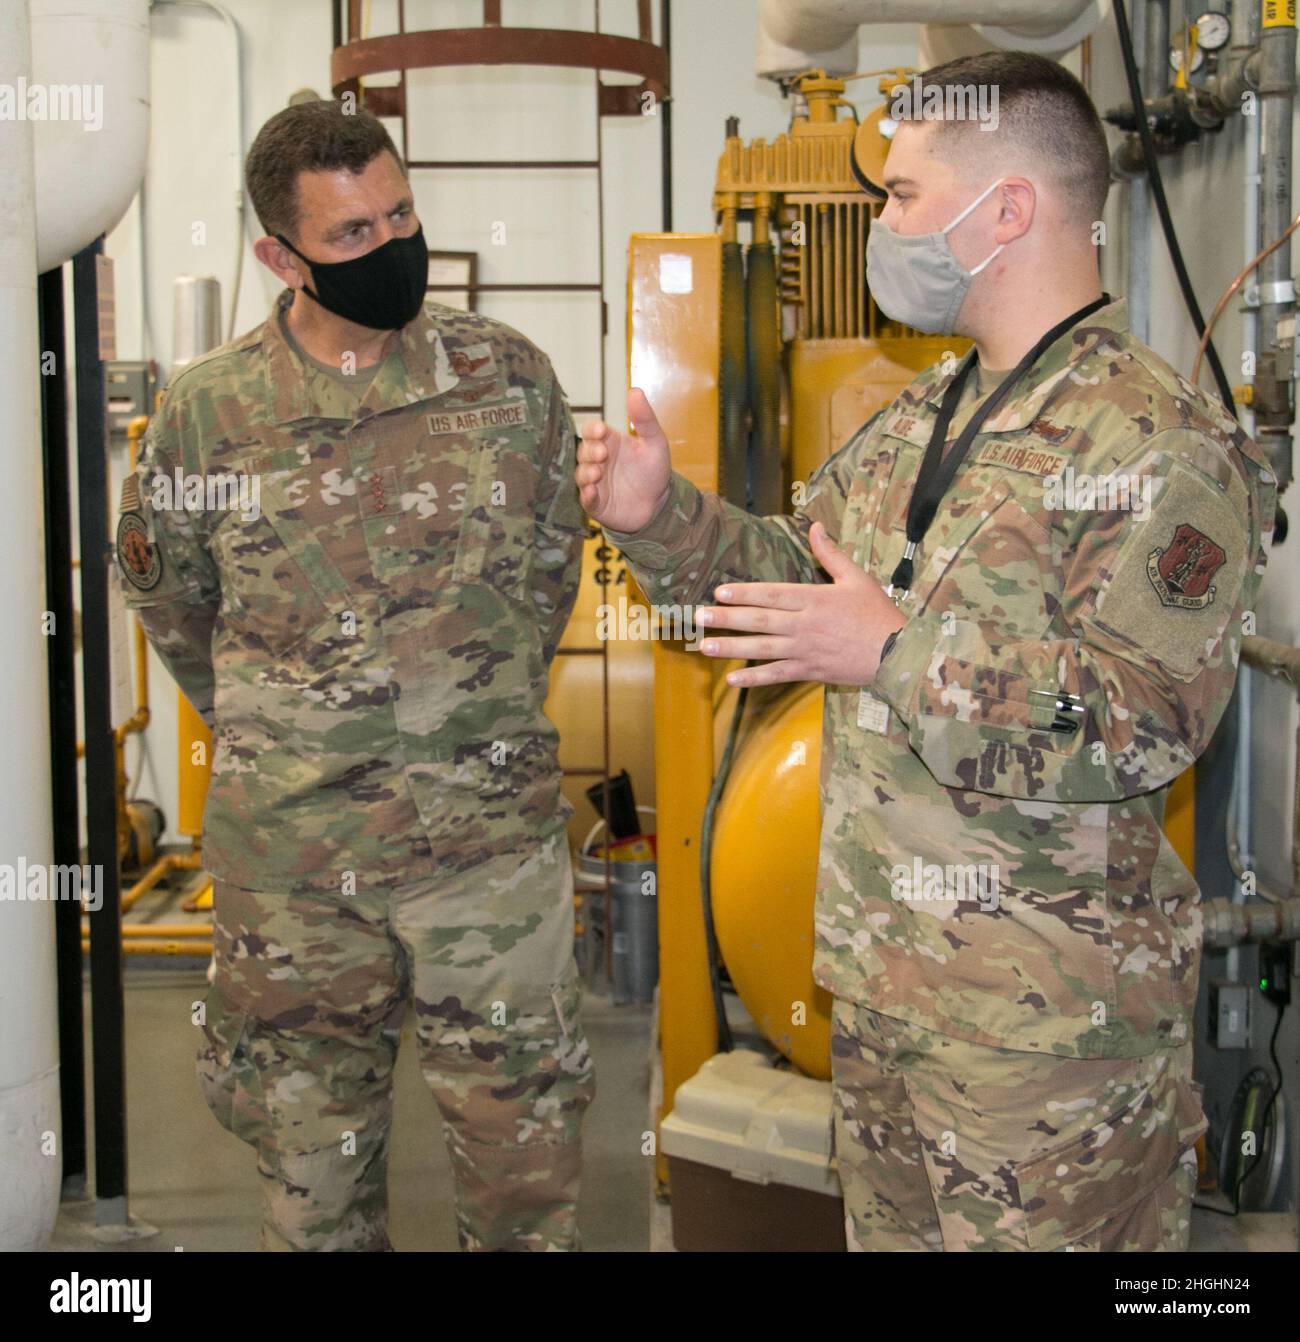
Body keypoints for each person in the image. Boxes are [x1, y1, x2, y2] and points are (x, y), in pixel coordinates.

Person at [577, 52, 1276, 1251]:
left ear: (1006, 210)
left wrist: (897, 651)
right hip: (888, 1001)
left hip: (1048, 1049)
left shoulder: (1158, 442)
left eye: (900, 197)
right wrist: (661, 518)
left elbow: (1143, 720)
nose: (882, 227)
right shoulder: (926, 418)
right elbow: (797, 592)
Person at [115, 99, 595, 1251]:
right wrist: (287, 736)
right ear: (278, 256)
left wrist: (458, 717)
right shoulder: (205, 416)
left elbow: (546, 578)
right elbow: (176, 605)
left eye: (403, 212)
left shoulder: (507, 378)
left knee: (525, 1171)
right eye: (350, 233)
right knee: (312, 1186)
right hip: (297, 874)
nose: (391, 246)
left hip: (487, 857)